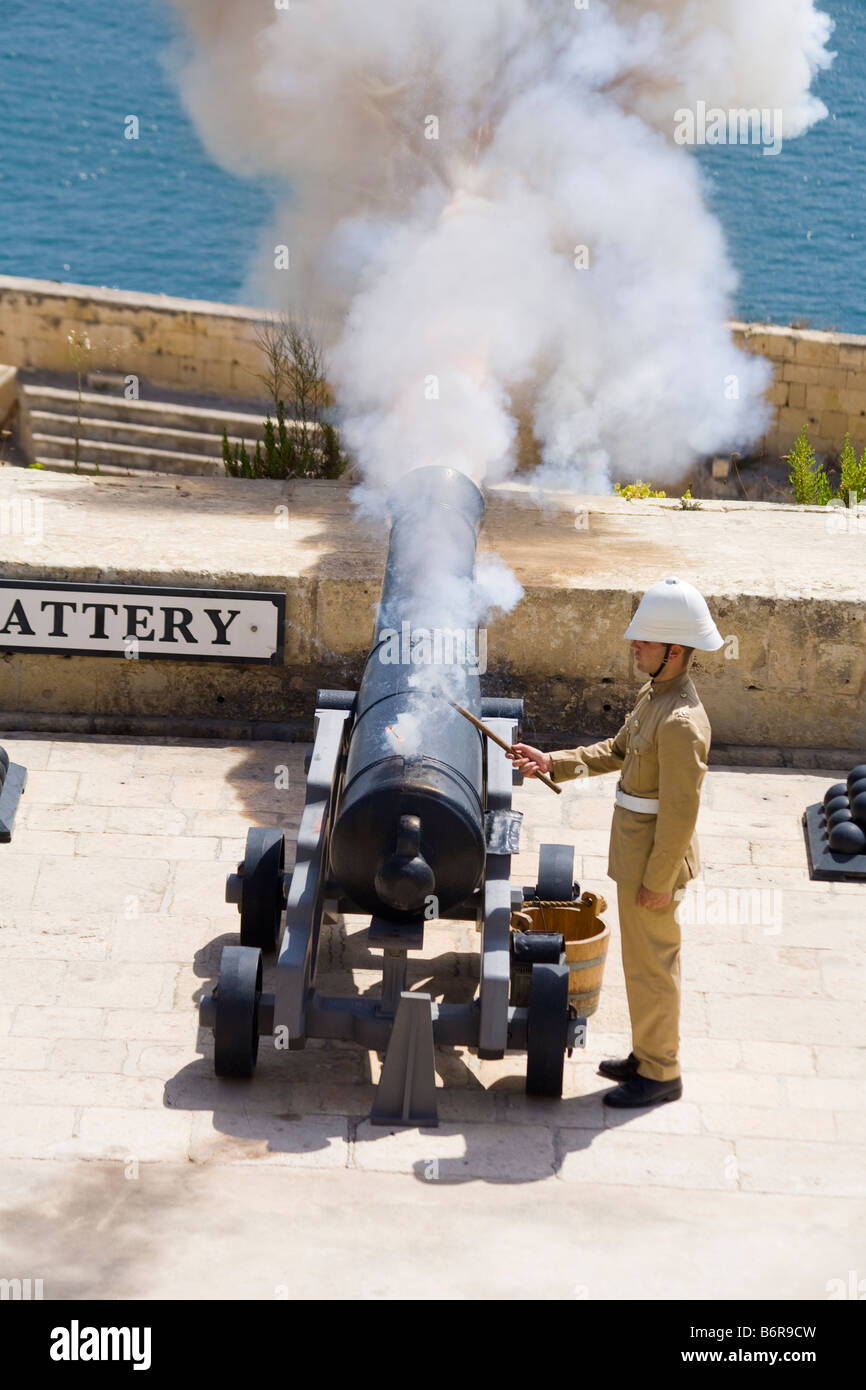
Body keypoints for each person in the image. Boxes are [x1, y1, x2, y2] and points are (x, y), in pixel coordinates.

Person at [507, 576, 723, 1108]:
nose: (634, 648)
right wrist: (551, 763)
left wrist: (657, 880)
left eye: (645, 642)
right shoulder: (655, 696)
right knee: (640, 965)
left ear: (674, 652)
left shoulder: (680, 723)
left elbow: (680, 811)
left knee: (654, 967)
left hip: (655, 863)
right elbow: (617, 750)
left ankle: (661, 1074)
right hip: (636, 855)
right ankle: (646, 1056)